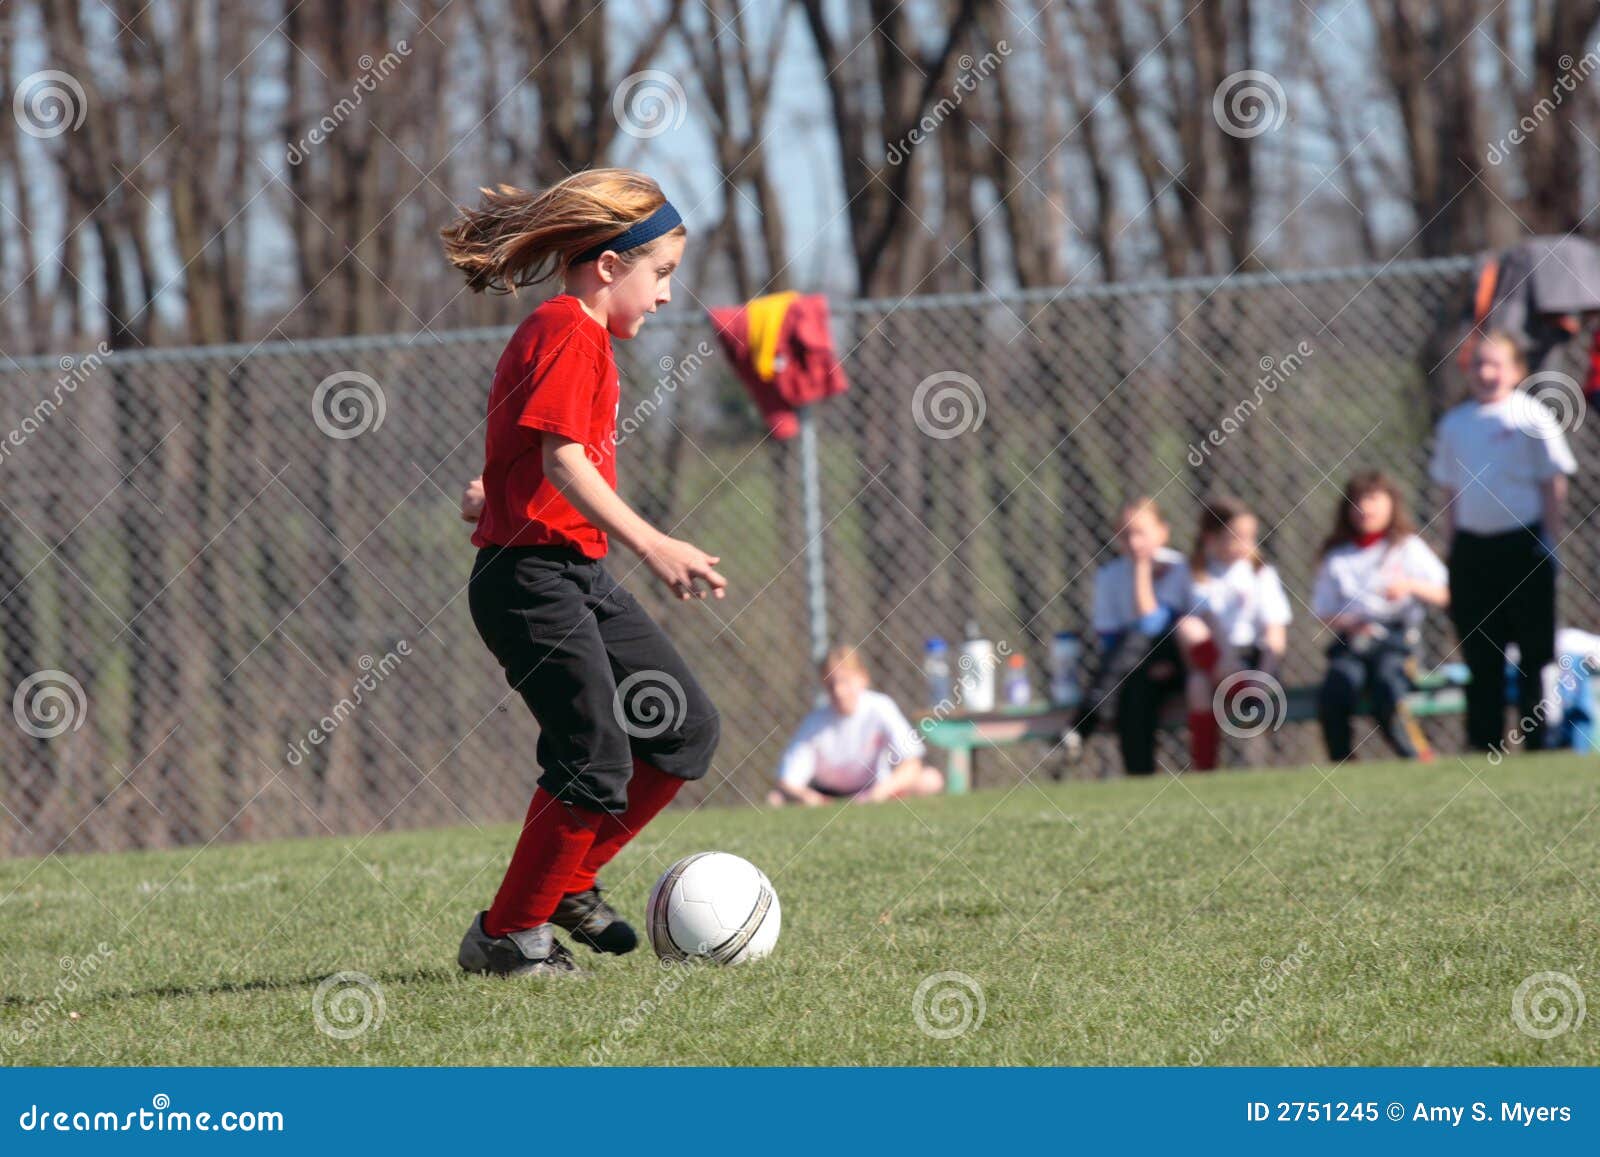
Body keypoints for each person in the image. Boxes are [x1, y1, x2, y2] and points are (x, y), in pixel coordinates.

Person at [446, 168, 727, 978]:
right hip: (529, 582)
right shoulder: (568, 328)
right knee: (593, 750)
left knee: (683, 727)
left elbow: (537, 454)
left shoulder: (578, 335)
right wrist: (655, 543)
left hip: (572, 571)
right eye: (662, 273)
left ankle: (567, 884)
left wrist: (493, 490)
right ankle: (508, 934)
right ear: (610, 265)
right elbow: (563, 458)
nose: (668, 296)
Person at [1431, 329, 1577, 753]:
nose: (1486, 372)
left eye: (1496, 363)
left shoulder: (1530, 416)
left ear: (1516, 371)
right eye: (1478, 363)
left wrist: (1551, 540)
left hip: (1525, 543)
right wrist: (1454, 547)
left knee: (1535, 650)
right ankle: (1484, 743)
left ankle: (1540, 740)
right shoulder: (1454, 424)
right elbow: (1449, 493)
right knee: (1481, 653)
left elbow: (1553, 482)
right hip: (1474, 551)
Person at [1311, 472, 1449, 762]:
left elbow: (1445, 593)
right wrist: (1352, 623)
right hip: (1354, 641)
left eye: (1373, 499)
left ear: (1391, 504)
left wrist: (1410, 586)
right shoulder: (1337, 555)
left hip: (1398, 642)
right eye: (1357, 501)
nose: (1364, 508)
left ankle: (1416, 756)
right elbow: (1323, 611)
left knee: (1387, 683)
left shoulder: (1407, 547)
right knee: (1339, 683)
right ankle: (1343, 762)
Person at [1072, 497, 1206, 775]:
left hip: (1180, 660)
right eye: (1124, 534)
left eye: (1140, 532)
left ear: (1162, 532)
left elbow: (1152, 623)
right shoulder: (1109, 576)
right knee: (1134, 691)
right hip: (1135, 666)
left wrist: (1142, 571)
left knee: (1136, 640)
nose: (1133, 542)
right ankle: (1140, 780)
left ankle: (1089, 714)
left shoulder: (1181, 568)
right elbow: (1108, 637)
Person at [1187, 497, 1291, 769]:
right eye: (1238, 537)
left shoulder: (1261, 574)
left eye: (1250, 536)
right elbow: (1207, 620)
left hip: (1256, 660)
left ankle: (1247, 694)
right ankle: (1205, 771)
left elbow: (1274, 633)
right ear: (1211, 540)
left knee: (1231, 687)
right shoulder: (1198, 576)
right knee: (1197, 684)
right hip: (1217, 659)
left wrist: (1261, 679)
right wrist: (1226, 660)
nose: (1247, 544)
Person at [768, 646, 942, 806]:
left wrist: (879, 793)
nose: (838, 691)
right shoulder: (814, 722)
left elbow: (911, 763)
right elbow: (787, 780)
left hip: (874, 789)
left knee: (930, 780)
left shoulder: (880, 707)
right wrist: (810, 798)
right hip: (826, 795)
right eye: (831, 684)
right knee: (775, 799)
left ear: (863, 678)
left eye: (845, 681)